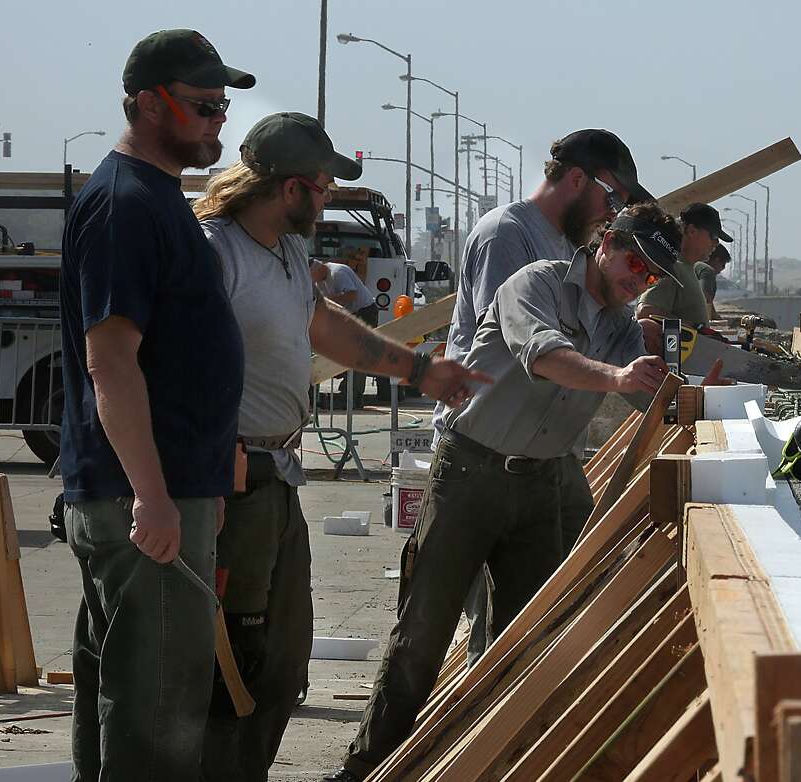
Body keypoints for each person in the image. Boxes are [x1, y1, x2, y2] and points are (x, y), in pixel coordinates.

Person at [324, 202, 683, 782]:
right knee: (423, 630)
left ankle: (495, 765)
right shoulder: (535, 283)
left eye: (651, 276)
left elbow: (647, 395)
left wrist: (682, 390)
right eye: (635, 263)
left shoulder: (620, 325)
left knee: (527, 639)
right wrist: (618, 376)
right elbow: (543, 356)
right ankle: (365, 767)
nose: (638, 280)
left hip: (541, 482)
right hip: (471, 472)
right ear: (606, 242)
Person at [189, 112, 488, 782]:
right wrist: (201, 470)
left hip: (274, 476)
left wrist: (419, 371)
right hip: (229, 479)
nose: (326, 199)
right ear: (290, 188)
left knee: (284, 661)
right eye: (322, 187)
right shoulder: (214, 252)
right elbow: (171, 367)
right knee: (233, 661)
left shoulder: (286, 253)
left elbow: (325, 325)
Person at [58, 29, 253, 782]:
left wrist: (202, 477)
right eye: (203, 107)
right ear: (148, 102)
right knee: (159, 703)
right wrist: (153, 495)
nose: (217, 122)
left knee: (135, 689)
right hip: (140, 493)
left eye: (222, 107)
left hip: (166, 485)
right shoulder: (125, 204)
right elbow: (110, 360)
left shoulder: (158, 198)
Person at [434, 128, 653, 664]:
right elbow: (525, 352)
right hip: (485, 445)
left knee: (561, 586)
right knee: (468, 614)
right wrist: (615, 374)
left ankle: (509, 693)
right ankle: (479, 705)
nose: (612, 212)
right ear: (577, 179)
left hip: (540, 448)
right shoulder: (508, 236)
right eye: (613, 198)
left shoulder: (569, 246)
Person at [636, 202, 731, 339]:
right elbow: (645, 312)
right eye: (714, 236)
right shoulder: (672, 268)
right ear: (691, 231)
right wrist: (696, 328)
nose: (716, 243)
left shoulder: (687, 268)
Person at [310, 259, 381, 405]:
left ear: (319, 269)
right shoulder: (318, 281)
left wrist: (327, 300)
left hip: (365, 312)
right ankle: (322, 392)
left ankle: (352, 396)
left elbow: (351, 295)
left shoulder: (338, 272)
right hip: (349, 313)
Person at [695, 242, 730, 320]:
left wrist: (714, 314)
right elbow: (705, 297)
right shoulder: (707, 270)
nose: (723, 269)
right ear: (717, 260)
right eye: (723, 265)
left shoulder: (694, 265)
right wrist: (713, 316)